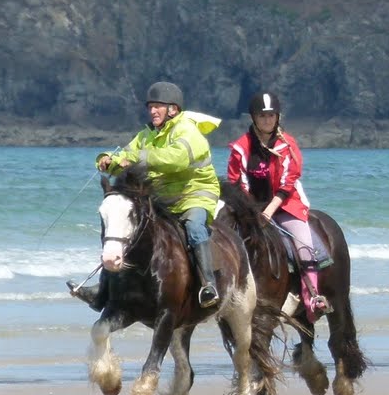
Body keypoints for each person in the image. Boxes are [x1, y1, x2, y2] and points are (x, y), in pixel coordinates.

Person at [86, 82, 224, 308]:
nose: (152, 111)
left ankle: (208, 285)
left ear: (173, 109)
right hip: (163, 196)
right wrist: (108, 161)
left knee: (194, 227)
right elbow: (128, 154)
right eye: (150, 107)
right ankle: (103, 288)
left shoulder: (188, 130)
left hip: (195, 193)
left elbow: (176, 159)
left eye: (158, 106)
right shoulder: (146, 134)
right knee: (127, 227)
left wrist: (137, 158)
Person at [226, 91, 333, 317]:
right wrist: (252, 212)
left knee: (304, 246)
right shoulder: (241, 148)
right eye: (262, 115)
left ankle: (312, 298)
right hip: (249, 210)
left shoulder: (287, 145)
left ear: (277, 117)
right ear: (253, 117)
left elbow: (288, 183)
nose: (267, 120)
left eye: (271, 115)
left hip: (285, 205)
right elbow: (238, 183)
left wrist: (268, 212)